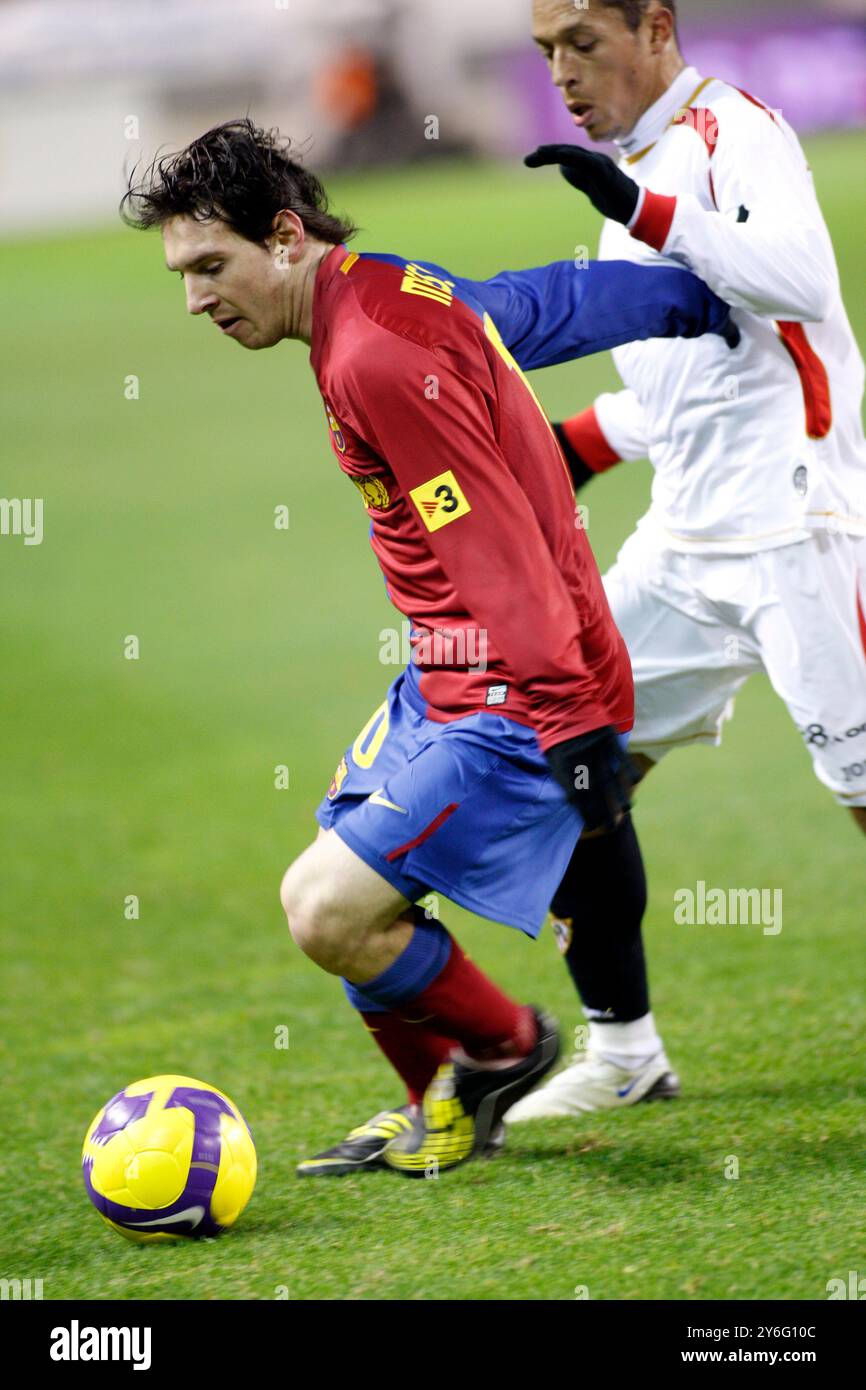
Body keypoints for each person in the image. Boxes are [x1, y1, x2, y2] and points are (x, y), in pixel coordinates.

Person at [121, 118, 735, 1174]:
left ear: (282, 235)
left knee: (326, 910)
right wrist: (680, 298)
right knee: (342, 880)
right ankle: (439, 1111)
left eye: (210, 265)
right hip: (448, 673)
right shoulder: (385, 287)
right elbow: (530, 306)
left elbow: (493, 550)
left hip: (510, 693)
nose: (195, 299)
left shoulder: (371, 359)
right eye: (180, 273)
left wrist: (571, 724)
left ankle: (505, 1049)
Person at [506, 0, 866, 1124]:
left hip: (798, 527)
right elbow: (700, 373)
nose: (561, 73)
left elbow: (797, 284)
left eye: (582, 43)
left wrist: (639, 207)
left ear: (654, 27)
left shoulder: (731, 134)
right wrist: (577, 445)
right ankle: (623, 1052)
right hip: (683, 542)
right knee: (565, 767)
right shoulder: (635, 167)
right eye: (544, 52)